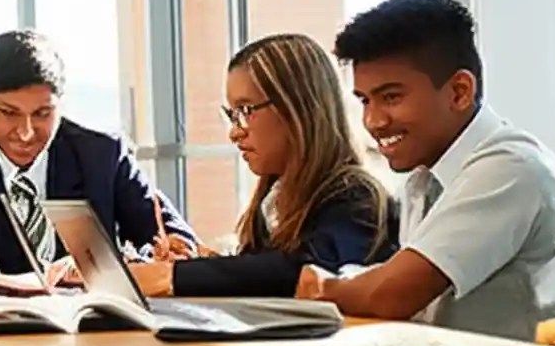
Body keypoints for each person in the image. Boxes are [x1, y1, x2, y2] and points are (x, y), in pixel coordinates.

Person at [296, 0, 555, 341]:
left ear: (459, 92)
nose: (373, 121)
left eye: (391, 97)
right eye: (364, 100)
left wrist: (325, 286)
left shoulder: (510, 167)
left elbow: (393, 294)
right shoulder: (423, 178)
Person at [89, 33, 398, 297]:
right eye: (232, 114)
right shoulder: (275, 198)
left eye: (246, 111)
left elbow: (304, 272)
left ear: (298, 108)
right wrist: (197, 261)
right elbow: (262, 272)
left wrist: (171, 276)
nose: (234, 132)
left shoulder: (356, 195)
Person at [0, 29, 197, 276]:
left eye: (42, 114)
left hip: (88, 321)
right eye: (9, 113)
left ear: (60, 103)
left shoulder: (103, 155)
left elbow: (162, 228)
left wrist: (175, 248)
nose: (26, 132)